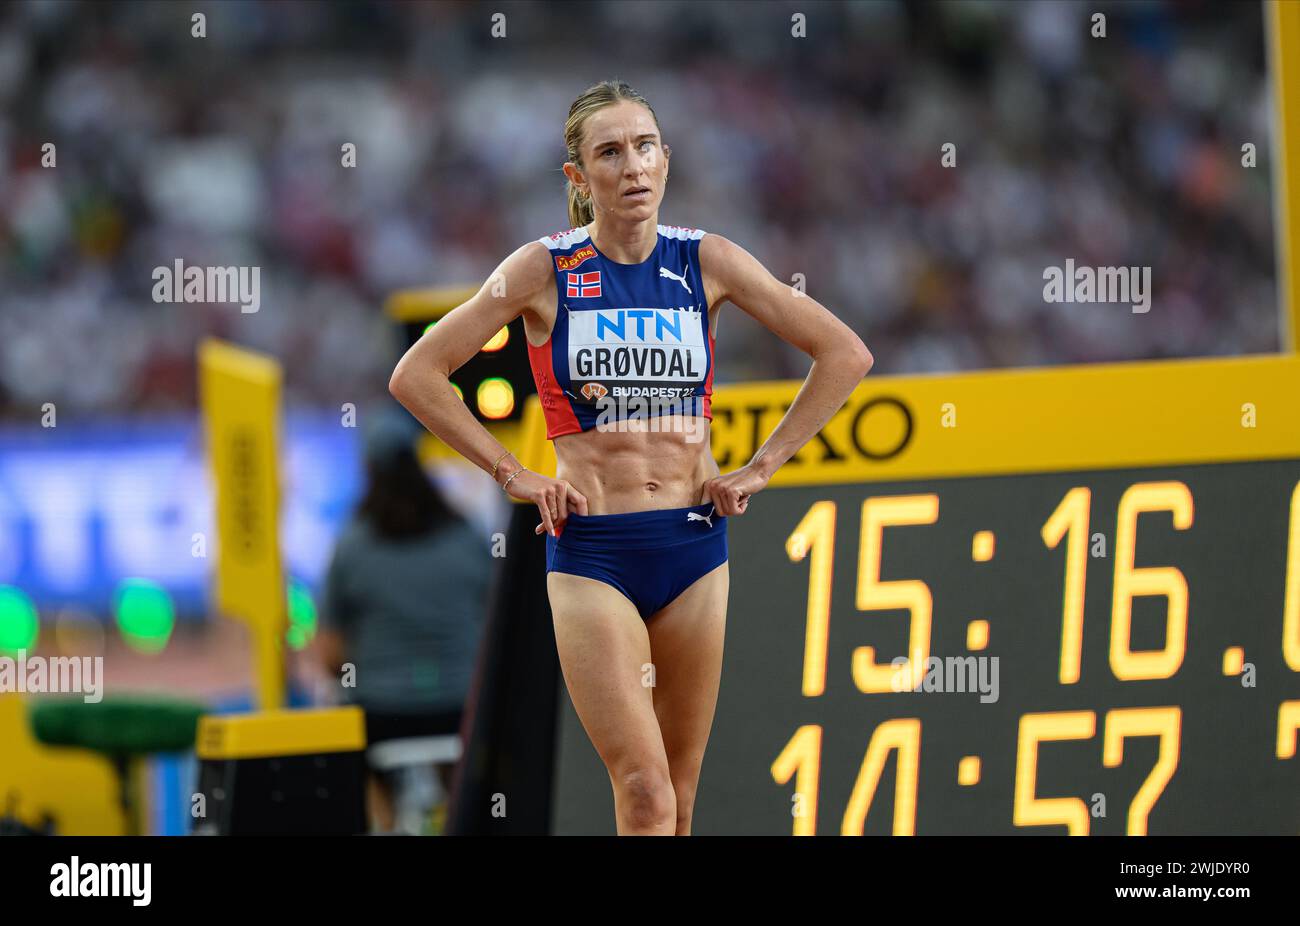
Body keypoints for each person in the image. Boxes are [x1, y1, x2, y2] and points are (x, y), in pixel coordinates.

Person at [389, 79, 872, 835]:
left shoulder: (706, 259)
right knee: (643, 792)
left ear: (666, 161)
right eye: (609, 153)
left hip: (694, 548)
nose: (633, 166)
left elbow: (844, 353)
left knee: (679, 799)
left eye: (645, 147)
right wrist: (511, 473)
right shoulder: (541, 269)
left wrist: (762, 465)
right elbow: (416, 373)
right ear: (579, 179)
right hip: (593, 554)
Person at [313, 409, 490, 834]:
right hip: (462, 710)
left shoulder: (351, 545)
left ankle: (386, 821)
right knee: (464, 789)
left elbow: (331, 654)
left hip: (382, 716)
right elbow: (494, 628)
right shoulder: (467, 535)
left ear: (369, 469)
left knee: (353, 749)